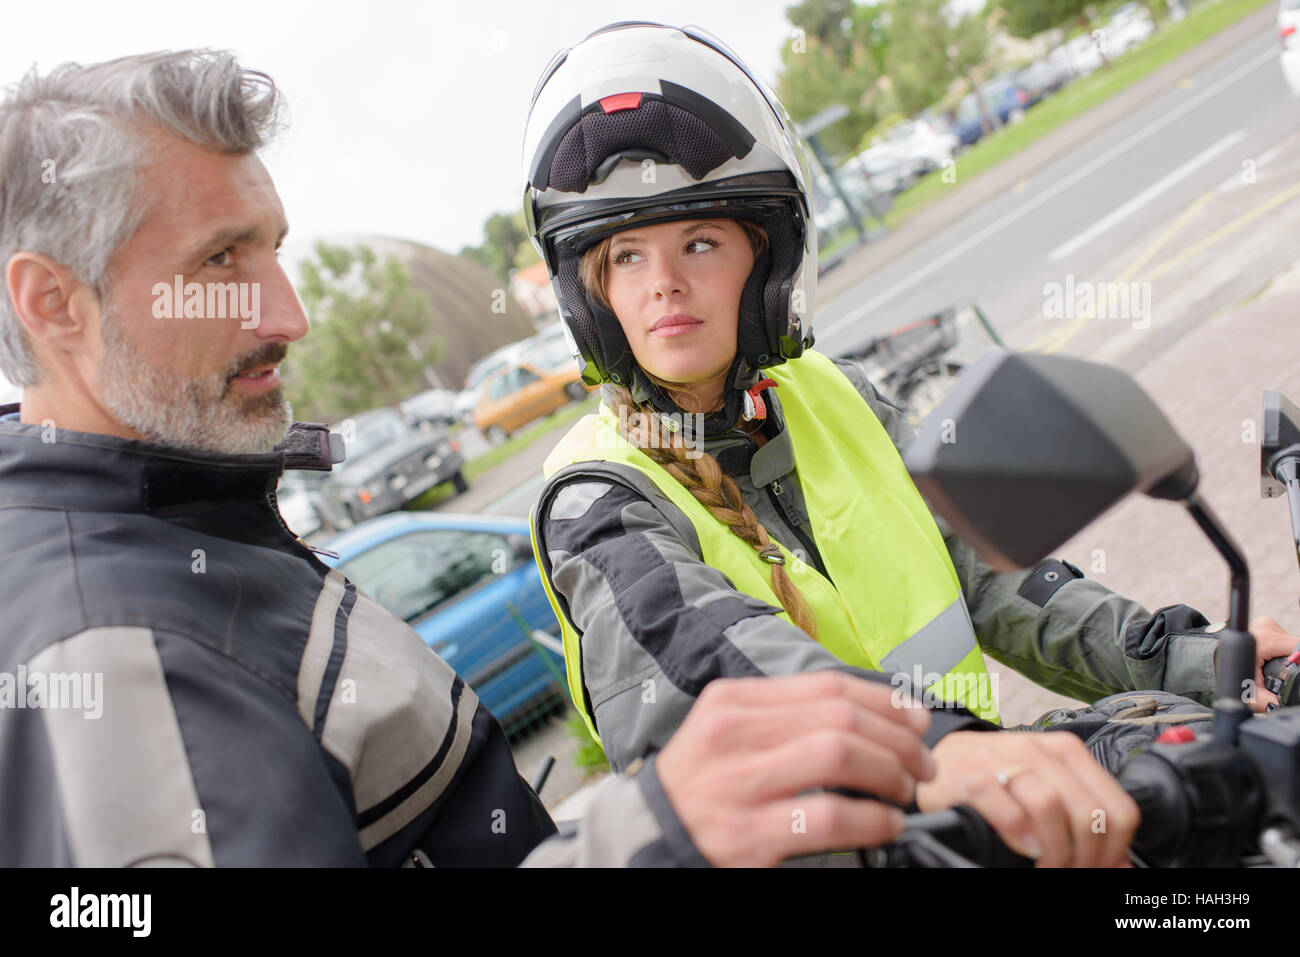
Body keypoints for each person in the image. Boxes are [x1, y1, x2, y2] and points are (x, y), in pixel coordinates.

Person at [0, 48, 976, 869]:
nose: (289, 316)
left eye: (274, 252)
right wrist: (652, 833)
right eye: (221, 261)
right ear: (53, 304)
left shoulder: (192, 537)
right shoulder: (113, 644)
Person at [523, 22, 1298, 867]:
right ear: (591, 296)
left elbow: (997, 580)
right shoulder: (595, 496)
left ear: (767, 258)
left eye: (699, 242)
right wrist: (932, 745)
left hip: (975, 830)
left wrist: (1198, 662)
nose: (664, 283)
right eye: (626, 256)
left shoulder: (836, 395)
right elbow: (702, 657)